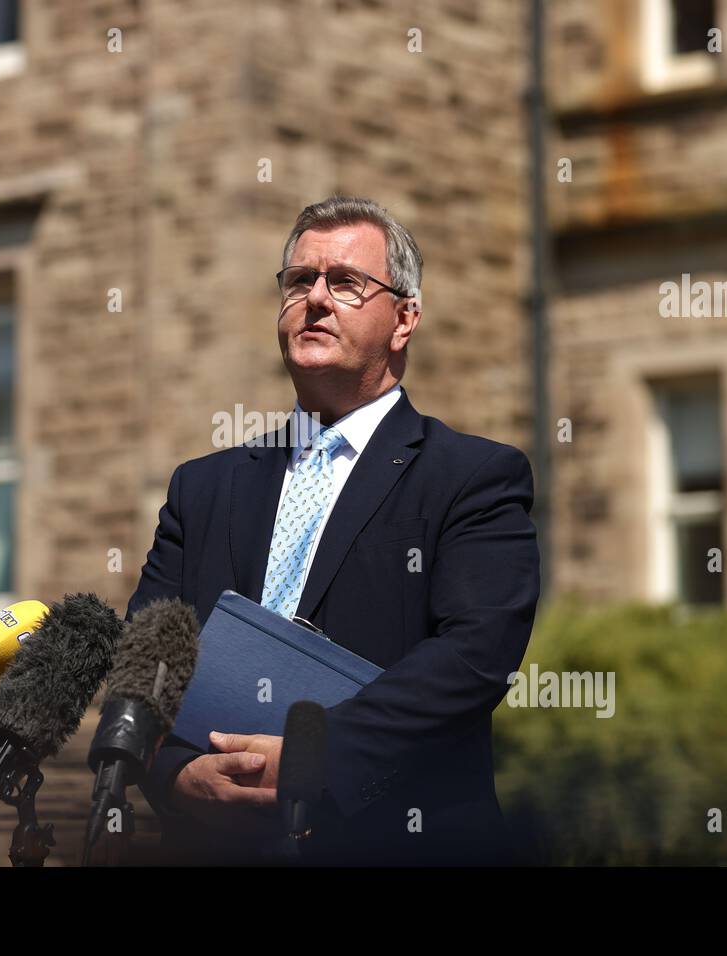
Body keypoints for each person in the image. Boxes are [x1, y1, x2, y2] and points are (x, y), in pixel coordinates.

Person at [127, 196, 540, 864]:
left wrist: (315, 758)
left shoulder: (472, 476)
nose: (314, 299)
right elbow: (146, 660)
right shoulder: (201, 488)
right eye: (298, 282)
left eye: (345, 283)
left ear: (405, 319)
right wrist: (174, 775)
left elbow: (475, 654)